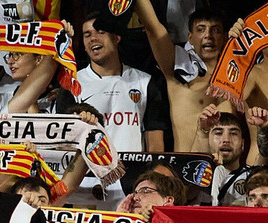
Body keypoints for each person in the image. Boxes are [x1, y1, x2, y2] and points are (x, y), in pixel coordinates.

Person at [136, 3, 232, 151]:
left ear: (225, 37)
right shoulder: (176, 69)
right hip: (187, 166)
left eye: (216, 30)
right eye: (201, 29)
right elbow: (153, 29)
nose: (208, 35)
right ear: (190, 37)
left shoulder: (238, 75)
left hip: (229, 168)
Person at [77, 12, 168, 153]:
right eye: (87, 35)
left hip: (133, 173)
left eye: (101, 32)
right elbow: (64, 143)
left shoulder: (145, 82)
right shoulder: (72, 84)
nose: (93, 38)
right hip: (89, 175)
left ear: (116, 37)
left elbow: (155, 143)